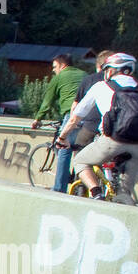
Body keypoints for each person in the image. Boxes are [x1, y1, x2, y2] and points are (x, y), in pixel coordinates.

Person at [59, 52, 138, 201]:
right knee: (123, 194)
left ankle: (97, 193)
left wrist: (62, 137)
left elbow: (75, 117)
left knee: (80, 160)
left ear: (111, 70)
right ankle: (123, 199)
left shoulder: (100, 86)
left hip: (112, 141)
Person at [30, 54, 87, 193]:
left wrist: (38, 119)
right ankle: (81, 185)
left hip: (72, 115)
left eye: (54, 67)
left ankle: (59, 189)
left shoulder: (59, 77)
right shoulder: (85, 74)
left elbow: (47, 101)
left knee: (64, 149)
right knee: (82, 151)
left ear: (62, 65)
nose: (53, 70)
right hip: (90, 116)